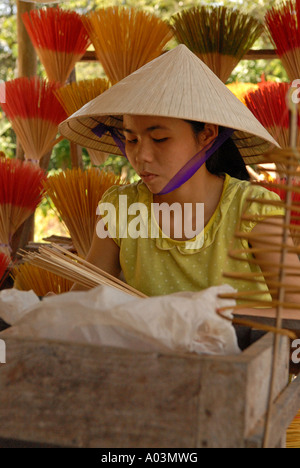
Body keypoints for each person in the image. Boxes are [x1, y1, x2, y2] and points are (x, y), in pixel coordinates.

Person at [59, 45, 299, 318]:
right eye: (131, 139)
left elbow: (294, 309)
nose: (141, 156)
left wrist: (199, 312)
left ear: (207, 135)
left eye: (160, 139)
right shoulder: (121, 210)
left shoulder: (252, 209)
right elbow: (83, 299)